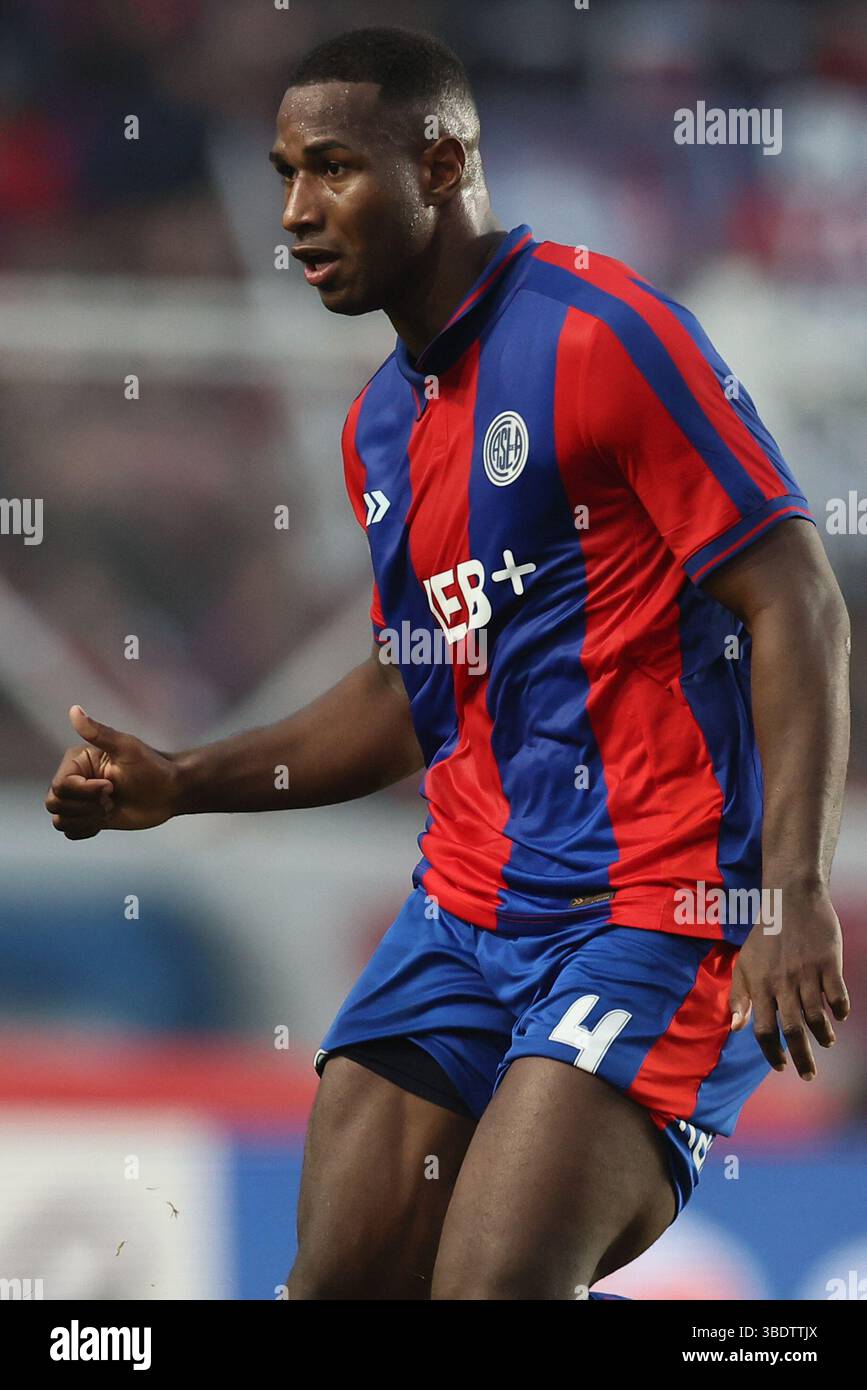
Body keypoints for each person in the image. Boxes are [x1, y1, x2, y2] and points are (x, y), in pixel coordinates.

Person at [45, 26, 851, 1300]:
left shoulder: (606, 335)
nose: (298, 213)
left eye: (332, 170)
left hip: (655, 913)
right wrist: (182, 781)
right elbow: (407, 690)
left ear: (439, 164)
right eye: (283, 175)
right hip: (464, 913)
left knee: (488, 1291)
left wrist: (791, 888)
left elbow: (797, 595)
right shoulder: (380, 426)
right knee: (335, 1288)